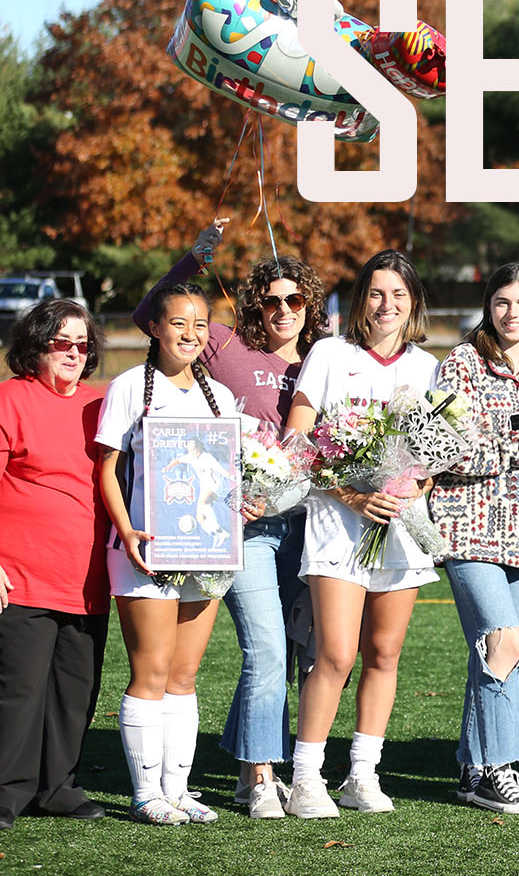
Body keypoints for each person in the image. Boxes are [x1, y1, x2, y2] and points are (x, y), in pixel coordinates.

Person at [132, 217, 329, 817]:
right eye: (271, 300)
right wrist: (193, 261)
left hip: (312, 524)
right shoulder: (224, 343)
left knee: (309, 655)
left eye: (295, 299)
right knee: (266, 649)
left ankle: (283, 764)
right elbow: (151, 316)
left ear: (309, 304)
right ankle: (257, 774)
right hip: (244, 526)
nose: (283, 310)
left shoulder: (322, 358)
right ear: (254, 304)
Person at [282, 251, 440, 819]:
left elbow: (437, 456)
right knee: (335, 654)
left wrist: (418, 485)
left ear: (413, 303)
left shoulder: (428, 367)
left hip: (398, 531)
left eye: (399, 294)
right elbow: (297, 443)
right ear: (359, 301)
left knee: (384, 652)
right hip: (336, 525)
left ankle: (362, 776)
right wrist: (352, 493)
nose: (387, 305)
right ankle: (305, 779)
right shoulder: (329, 353)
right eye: (376, 293)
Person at [95, 282, 243, 825]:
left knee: (184, 674)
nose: (190, 333)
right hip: (145, 551)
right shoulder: (131, 386)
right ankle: (145, 794)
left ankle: (177, 791)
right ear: (154, 327)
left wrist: (240, 508)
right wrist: (128, 530)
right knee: (151, 671)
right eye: (178, 322)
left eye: (200, 323)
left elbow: (228, 474)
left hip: (204, 549)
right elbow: (106, 467)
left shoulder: (220, 397)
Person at [430, 263, 519, 815]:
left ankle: (472, 766)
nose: (514, 314)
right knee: (503, 645)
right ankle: (504, 770)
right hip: (465, 527)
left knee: (492, 654)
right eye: (503, 302)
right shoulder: (461, 364)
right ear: (489, 307)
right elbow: (444, 451)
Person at [0, 300, 110, 830]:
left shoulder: (101, 404)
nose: (73, 352)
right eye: (61, 342)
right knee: (19, 689)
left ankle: (57, 786)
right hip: (20, 575)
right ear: (36, 344)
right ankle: (7, 791)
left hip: (89, 577)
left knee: (75, 688)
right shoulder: (10, 399)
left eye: (82, 344)